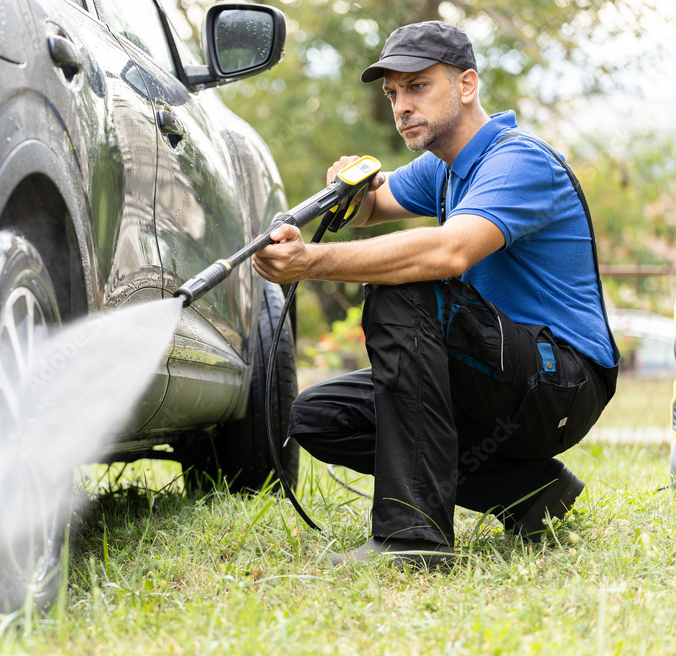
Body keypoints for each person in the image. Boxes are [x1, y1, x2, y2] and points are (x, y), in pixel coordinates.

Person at [252, 21, 618, 568]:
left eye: (417, 86)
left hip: (561, 383)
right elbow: (375, 205)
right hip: (495, 377)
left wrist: (312, 261)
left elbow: (448, 253)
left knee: (404, 290)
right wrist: (349, 191)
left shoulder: (519, 160)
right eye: (393, 93)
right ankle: (525, 490)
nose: (402, 106)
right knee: (319, 416)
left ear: (466, 85)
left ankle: (413, 537)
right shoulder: (443, 169)